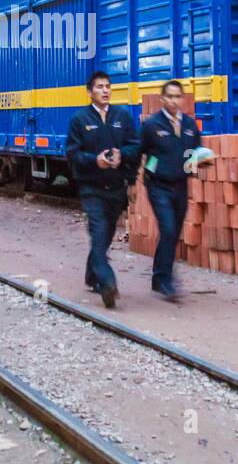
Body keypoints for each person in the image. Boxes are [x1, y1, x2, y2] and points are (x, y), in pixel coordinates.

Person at [65, 71, 139, 309]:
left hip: (116, 188)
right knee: (99, 234)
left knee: (105, 236)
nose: (105, 91)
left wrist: (122, 156)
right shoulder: (80, 120)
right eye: (99, 87)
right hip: (92, 188)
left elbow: (134, 147)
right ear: (90, 92)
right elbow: (72, 154)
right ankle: (107, 284)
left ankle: (90, 275)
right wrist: (93, 160)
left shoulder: (122, 117)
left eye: (107, 86)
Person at [138, 80, 201, 302]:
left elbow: (193, 154)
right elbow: (139, 151)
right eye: (170, 97)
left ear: (182, 99)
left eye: (178, 97)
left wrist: (200, 163)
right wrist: (131, 182)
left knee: (174, 233)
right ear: (162, 99)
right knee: (168, 229)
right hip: (158, 186)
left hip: (180, 186)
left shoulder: (190, 126)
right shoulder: (151, 125)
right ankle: (165, 281)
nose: (174, 101)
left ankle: (158, 277)